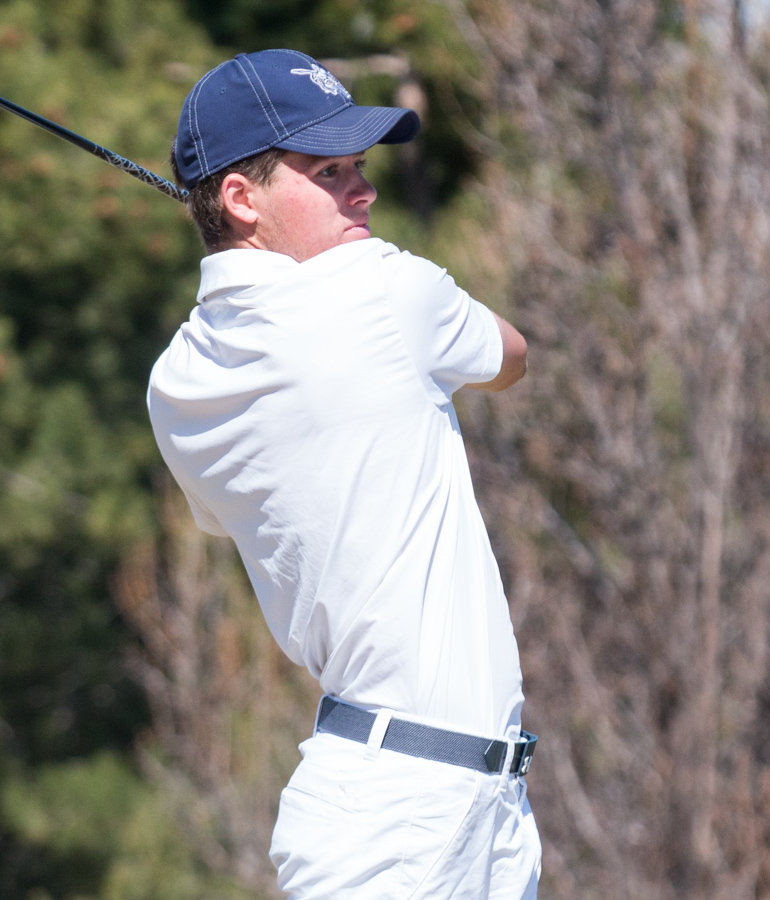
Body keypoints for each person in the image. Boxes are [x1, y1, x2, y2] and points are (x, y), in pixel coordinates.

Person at [147, 49, 539, 899]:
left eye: (359, 167)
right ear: (240, 199)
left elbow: (223, 513)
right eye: (329, 172)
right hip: (402, 813)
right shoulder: (382, 290)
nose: (364, 192)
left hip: (446, 803)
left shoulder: (174, 384)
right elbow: (511, 357)